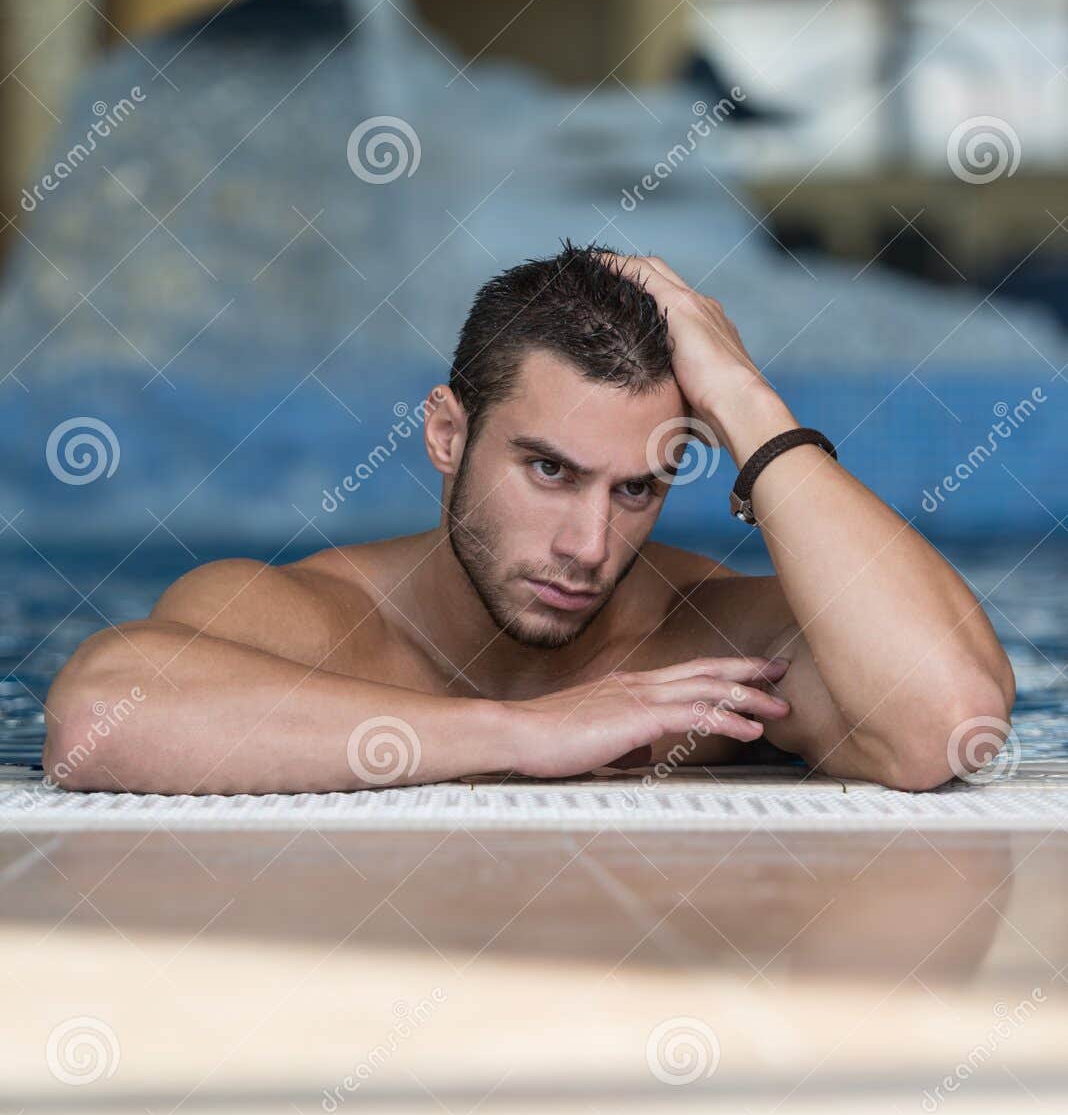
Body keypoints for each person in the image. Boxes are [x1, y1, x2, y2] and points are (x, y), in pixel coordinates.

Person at [43, 242, 1015, 796]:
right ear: (447, 434)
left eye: (635, 488)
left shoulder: (703, 644)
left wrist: (748, 404)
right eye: (549, 469)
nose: (589, 547)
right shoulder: (311, 619)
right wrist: (522, 733)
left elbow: (950, 724)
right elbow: (94, 719)